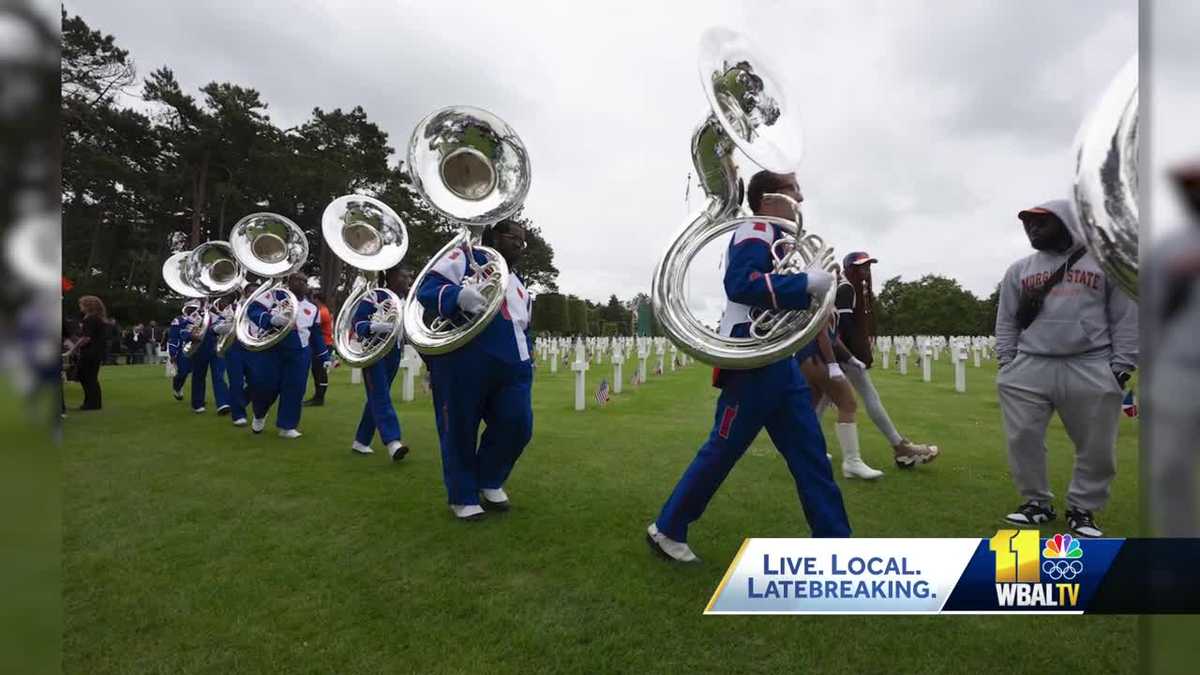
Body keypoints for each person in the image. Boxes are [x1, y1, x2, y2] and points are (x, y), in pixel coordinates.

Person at [647, 170, 850, 563]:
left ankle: (834, 542)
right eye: (795, 189)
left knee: (810, 452)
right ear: (772, 197)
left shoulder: (776, 237)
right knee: (722, 450)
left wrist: (810, 287)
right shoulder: (756, 229)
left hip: (777, 358)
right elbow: (741, 283)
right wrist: (805, 283)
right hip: (753, 357)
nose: (802, 197)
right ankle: (668, 528)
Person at [996, 199, 1138, 538]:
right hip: (1030, 364)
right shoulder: (1020, 270)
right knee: (1023, 438)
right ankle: (1036, 503)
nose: (1032, 229)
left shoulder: (1108, 263)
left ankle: (1083, 509)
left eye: (1040, 222)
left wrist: (1121, 367)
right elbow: (1006, 320)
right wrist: (1007, 362)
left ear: (1067, 222)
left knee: (1096, 446)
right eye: (1027, 223)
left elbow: (1126, 317)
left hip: (1089, 362)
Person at [417, 218, 534, 521]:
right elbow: (428, 290)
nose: (519, 246)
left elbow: (524, 325)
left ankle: (489, 478)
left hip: (514, 364)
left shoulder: (521, 284)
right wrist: (457, 296)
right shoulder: (465, 256)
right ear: (495, 235)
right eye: (514, 238)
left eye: (523, 242)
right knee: (459, 427)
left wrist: (528, 359)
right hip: (464, 357)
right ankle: (463, 495)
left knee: (518, 424)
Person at [829, 251, 940, 468]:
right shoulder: (846, 289)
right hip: (843, 354)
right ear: (850, 268)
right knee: (869, 397)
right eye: (861, 267)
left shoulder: (845, 286)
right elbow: (844, 327)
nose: (866, 271)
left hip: (835, 354)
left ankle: (805, 446)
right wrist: (855, 357)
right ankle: (900, 447)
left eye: (868, 266)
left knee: (822, 401)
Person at [245, 273, 330, 438]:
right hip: (272, 348)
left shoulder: (313, 308)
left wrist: (324, 356)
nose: (302, 284)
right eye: (297, 281)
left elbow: (316, 334)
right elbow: (253, 310)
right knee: (265, 386)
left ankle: (287, 426)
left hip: (300, 352)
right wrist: (271, 319)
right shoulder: (275, 295)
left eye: (305, 281)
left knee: (295, 388)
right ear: (289, 282)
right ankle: (259, 414)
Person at [349, 266, 413, 460]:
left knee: (377, 397)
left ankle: (361, 441)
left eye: (408, 276)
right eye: (403, 275)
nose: (407, 279)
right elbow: (357, 322)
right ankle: (393, 442)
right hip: (374, 351)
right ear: (392, 277)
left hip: (394, 353)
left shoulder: (407, 301)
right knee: (381, 395)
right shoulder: (376, 296)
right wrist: (375, 326)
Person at [222, 284, 258, 427]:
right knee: (236, 382)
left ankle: (238, 402)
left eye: (257, 292)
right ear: (245, 293)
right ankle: (238, 415)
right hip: (235, 347)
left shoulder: (266, 306)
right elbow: (219, 325)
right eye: (251, 292)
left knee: (257, 382)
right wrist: (228, 327)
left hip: (255, 348)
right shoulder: (234, 308)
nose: (254, 295)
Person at [72, 295, 110, 410]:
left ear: (88, 306)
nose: (80, 307)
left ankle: (91, 403)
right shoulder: (99, 319)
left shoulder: (90, 319)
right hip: (97, 352)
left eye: (82, 305)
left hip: (89, 352)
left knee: (86, 377)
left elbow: (86, 338)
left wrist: (73, 349)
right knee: (91, 378)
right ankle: (93, 402)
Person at [303, 292, 335, 407]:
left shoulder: (322, 312)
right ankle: (318, 396)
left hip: (324, 345)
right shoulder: (323, 310)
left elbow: (311, 324)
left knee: (320, 372)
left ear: (316, 299)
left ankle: (319, 398)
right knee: (317, 371)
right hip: (322, 344)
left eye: (313, 299)